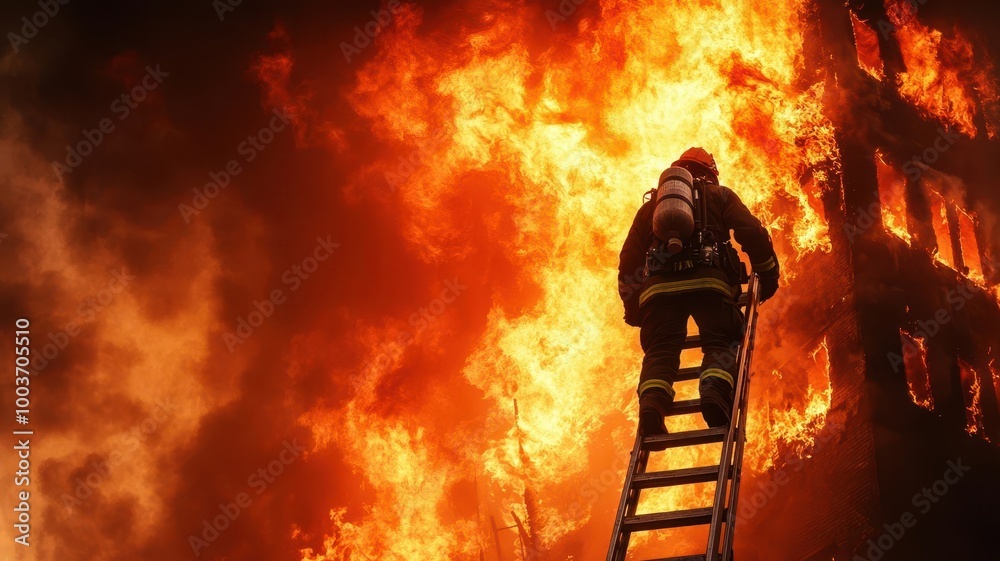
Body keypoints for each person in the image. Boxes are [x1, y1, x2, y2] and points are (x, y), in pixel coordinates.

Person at [617, 147, 780, 439]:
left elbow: (629, 260)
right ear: (711, 173)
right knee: (720, 340)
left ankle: (652, 406)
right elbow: (751, 233)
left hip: (659, 291)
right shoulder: (720, 196)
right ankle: (714, 395)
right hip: (710, 284)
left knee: (661, 349)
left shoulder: (651, 207)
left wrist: (633, 307)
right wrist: (768, 275)